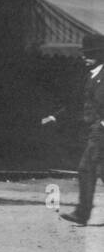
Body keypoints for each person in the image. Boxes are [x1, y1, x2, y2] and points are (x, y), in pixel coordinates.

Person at [44, 34, 104, 226]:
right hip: (95, 128)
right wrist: (56, 116)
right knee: (100, 170)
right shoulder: (91, 76)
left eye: (91, 54)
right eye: (85, 53)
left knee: (86, 169)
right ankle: (82, 212)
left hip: (101, 130)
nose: (85, 57)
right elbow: (78, 102)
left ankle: (82, 213)